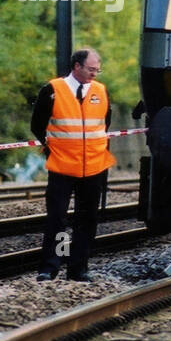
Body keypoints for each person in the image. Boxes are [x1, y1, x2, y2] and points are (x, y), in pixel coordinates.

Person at [31, 48, 116, 281]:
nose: (95, 74)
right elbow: (37, 125)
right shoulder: (53, 90)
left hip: (94, 166)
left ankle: (78, 269)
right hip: (63, 167)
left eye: (97, 70)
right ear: (76, 66)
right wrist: (51, 147)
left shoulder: (101, 91)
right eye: (91, 69)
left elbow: (104, 124)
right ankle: (50, 267)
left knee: (87, 219)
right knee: (57, 218)